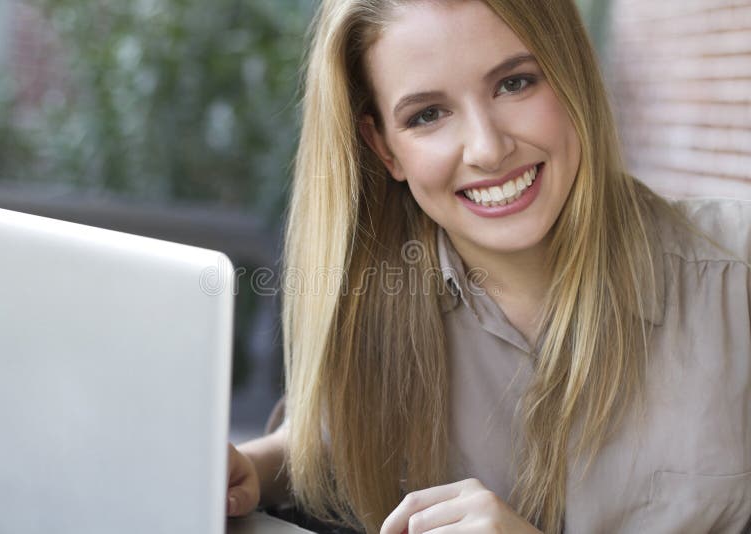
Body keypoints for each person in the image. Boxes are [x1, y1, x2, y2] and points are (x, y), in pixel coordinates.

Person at [227, 1, 751, 532]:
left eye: (514, 84)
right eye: (427, 115)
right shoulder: (374, 305)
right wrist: (250, 468)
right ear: (384, 148)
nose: (488, 149)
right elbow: (331, 438)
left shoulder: (738, 274)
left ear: (571, 72)